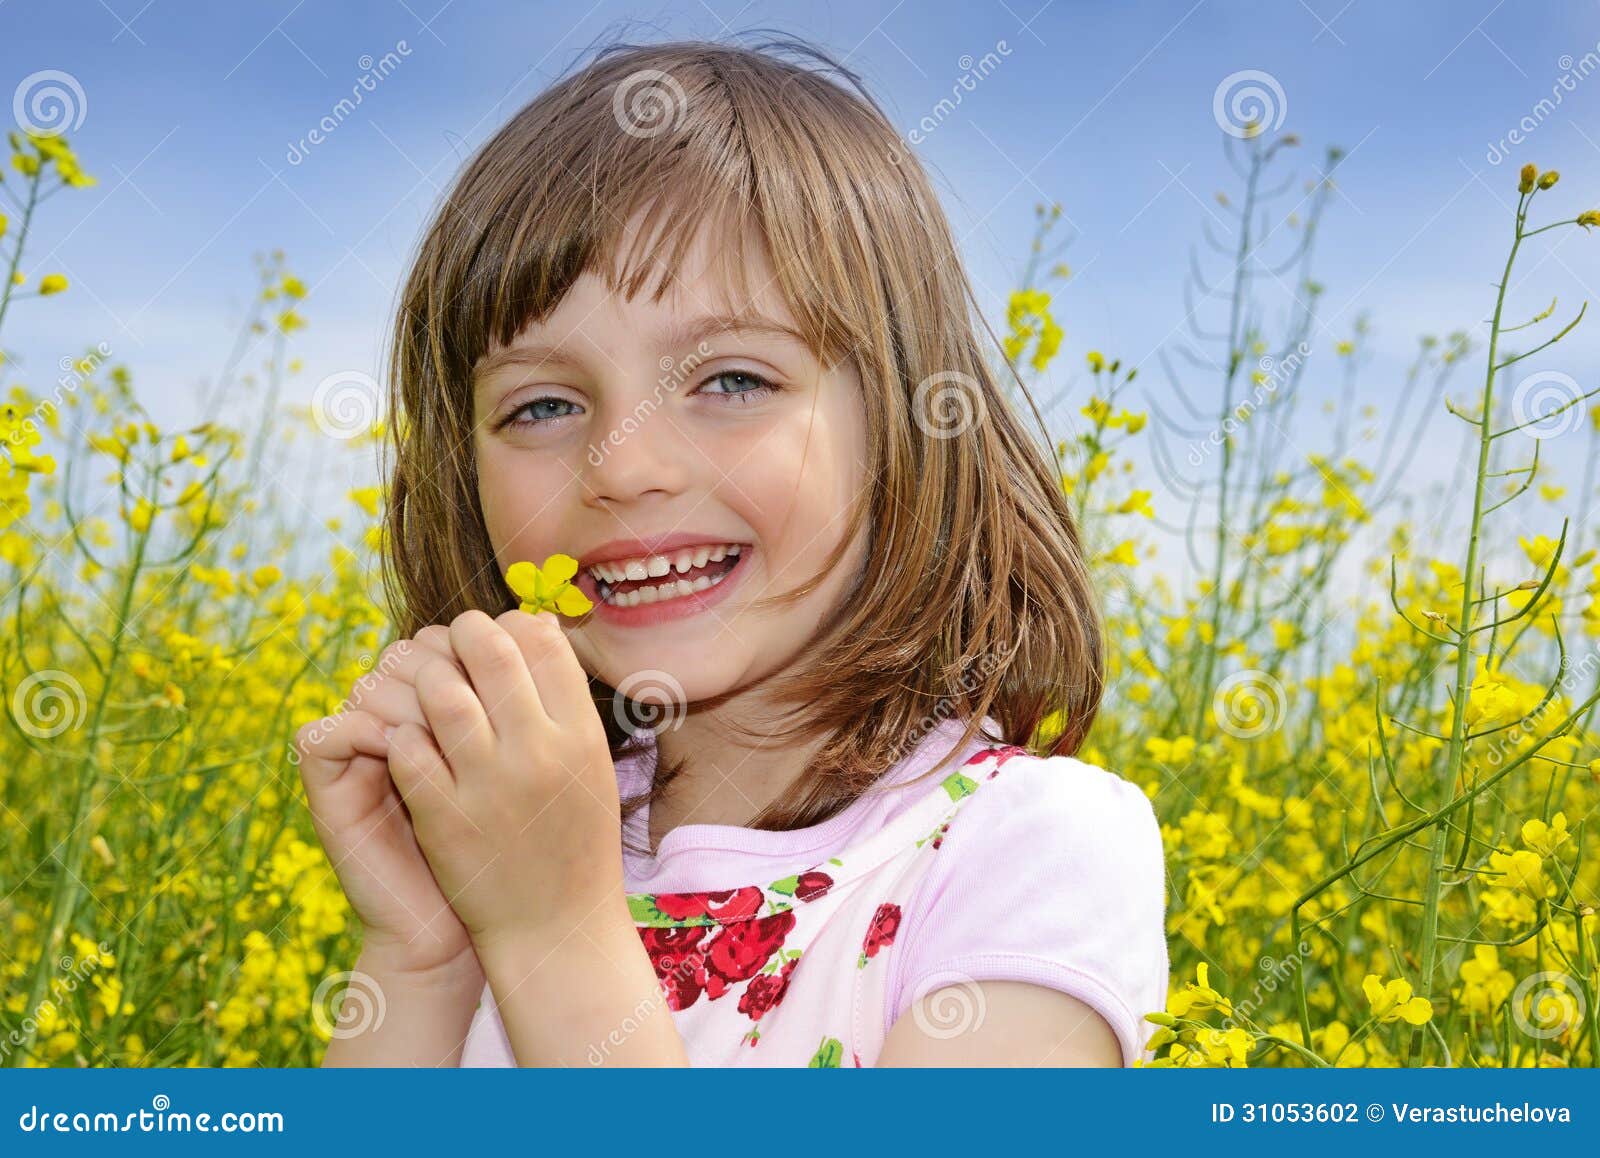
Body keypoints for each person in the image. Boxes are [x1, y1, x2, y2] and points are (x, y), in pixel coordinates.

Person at [294, 33, 1167, 1068]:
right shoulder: (506, 847)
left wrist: (553, 941)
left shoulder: (1027, 852)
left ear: (901, 425)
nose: (623, 467)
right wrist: (424, 951)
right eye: (541, 404)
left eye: (732, 382)